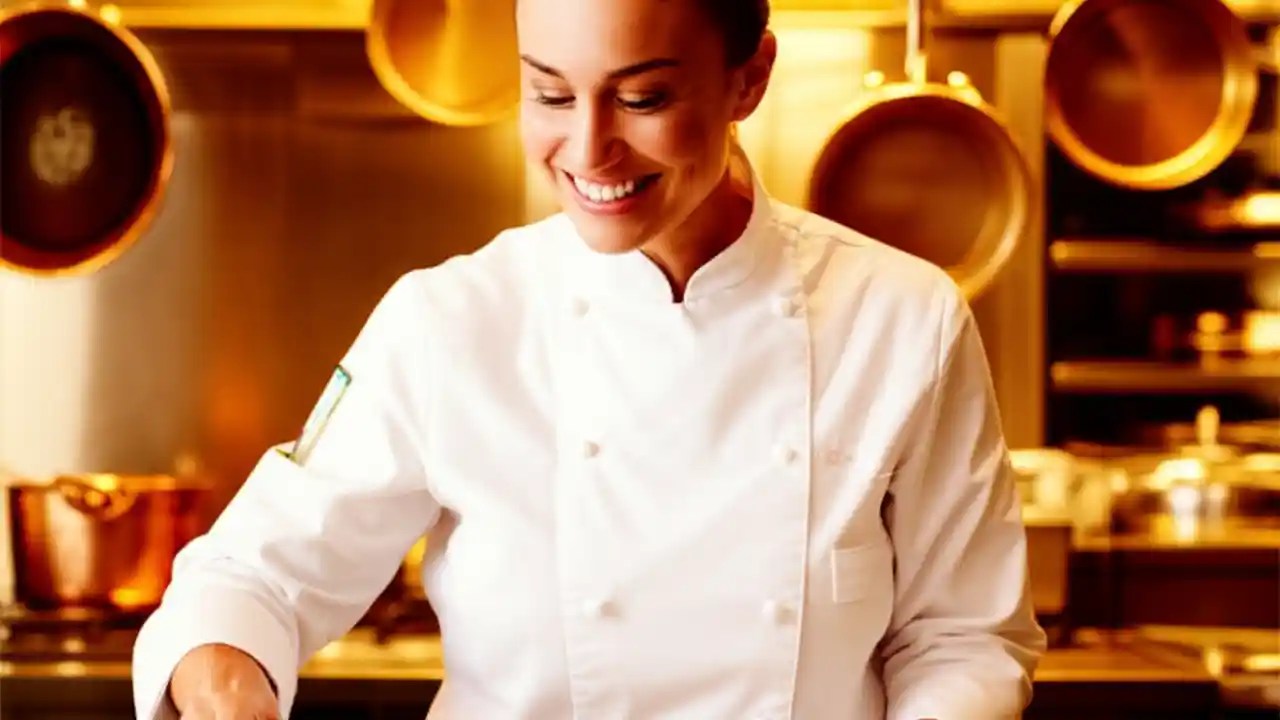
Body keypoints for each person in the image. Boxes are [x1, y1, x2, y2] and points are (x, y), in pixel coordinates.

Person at [131, 0, 1047, 717]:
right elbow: (254, 577)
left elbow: (961, 639)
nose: (588, 149)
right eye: (552, 94)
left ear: (749, 79)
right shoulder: (450, 321)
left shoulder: (901, 321)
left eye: (643, 97)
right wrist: (230, 682)